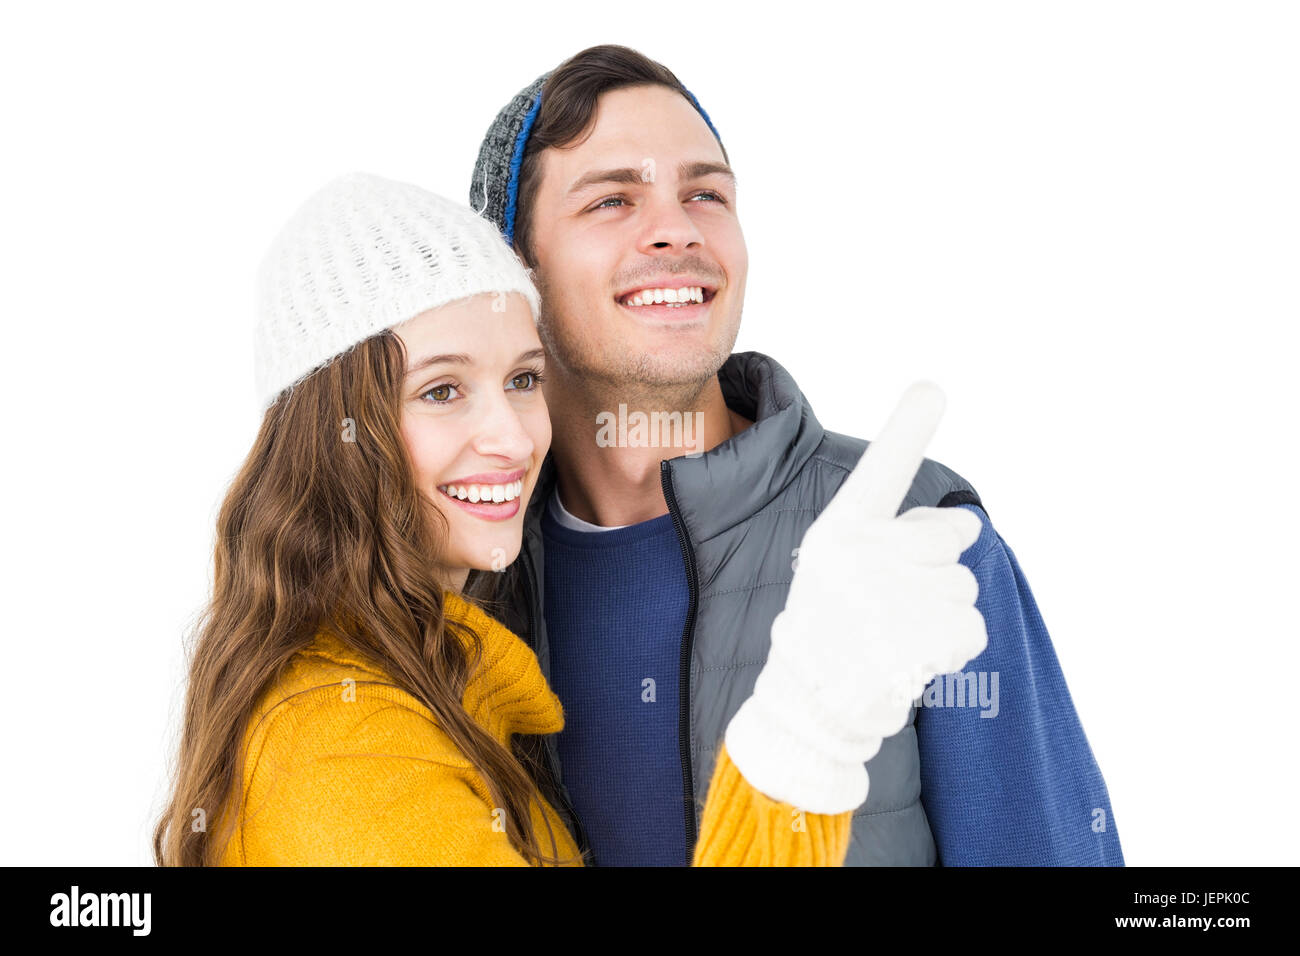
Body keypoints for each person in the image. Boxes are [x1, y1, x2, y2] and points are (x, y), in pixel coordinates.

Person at [151, 172, 986, 866]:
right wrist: (801, 740)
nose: (511, 436)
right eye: (442, 391)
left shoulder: (444, 676)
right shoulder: (345, 745)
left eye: (522, 379)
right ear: (333, 436)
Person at [467, 43, 1125, 866]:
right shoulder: (467, 576)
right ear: (513, 269)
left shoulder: (913, 537)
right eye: (612, 201)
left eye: (706, 193)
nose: (675, 230)